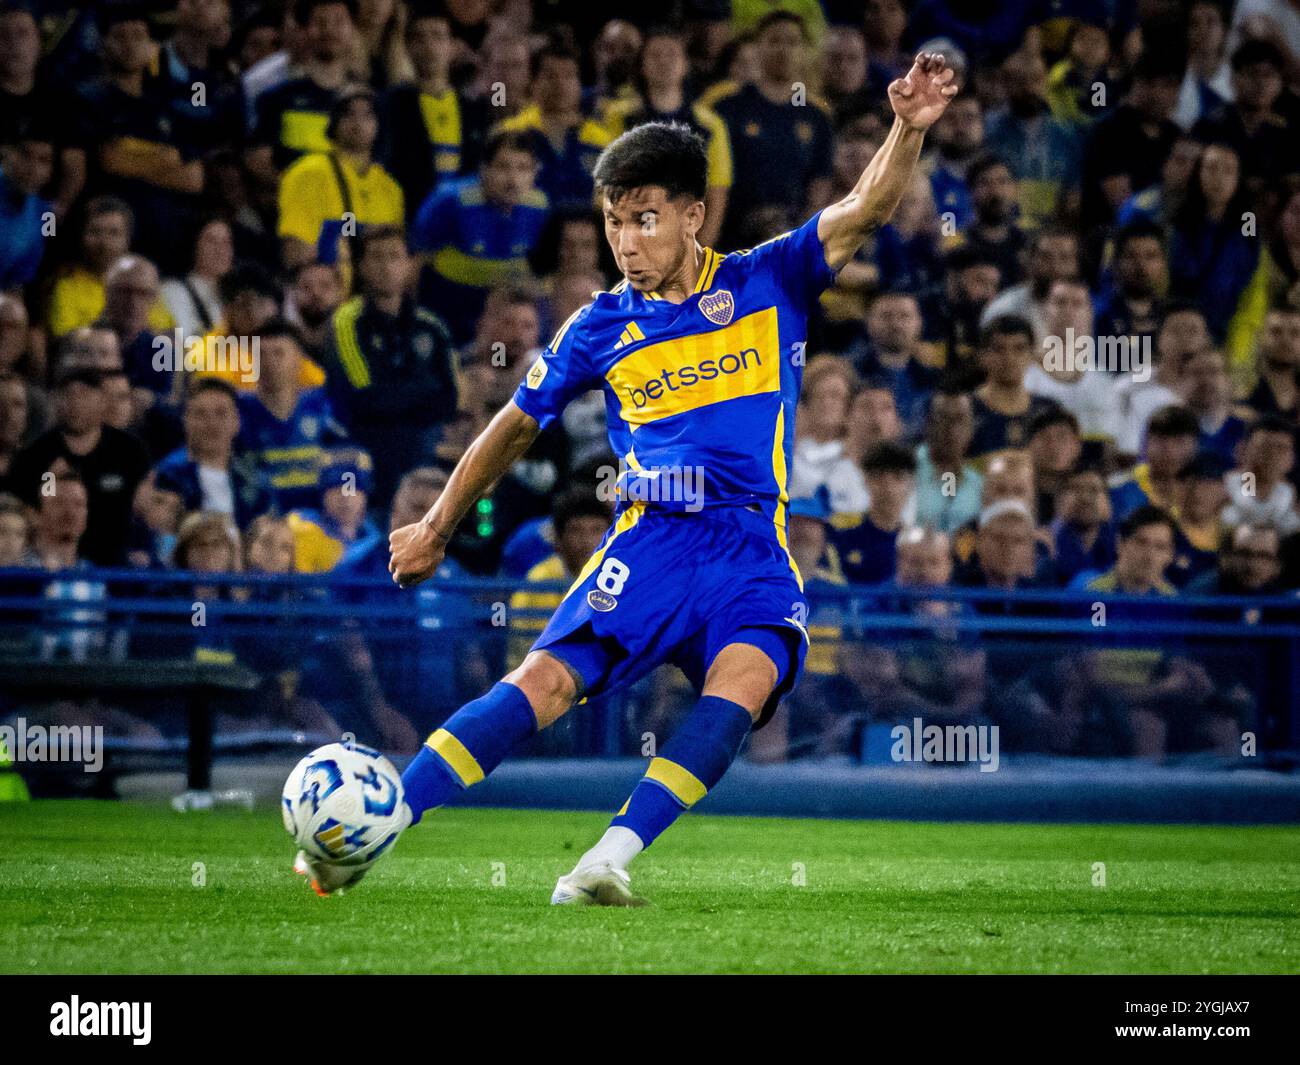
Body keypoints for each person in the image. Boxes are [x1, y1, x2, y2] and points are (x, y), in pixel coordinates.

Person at [279, 53, 963, 905]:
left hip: (750, 546)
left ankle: (604, 858)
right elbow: (516, 422)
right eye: (614, 223)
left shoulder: (766, 277)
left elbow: (865, 209)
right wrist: (436, 526)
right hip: (651, 542)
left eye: (644, 219)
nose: (626, 242)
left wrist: (909, 126)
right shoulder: (599, 324)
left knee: (744, 685)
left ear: (694, 214)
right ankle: (377, 829)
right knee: (542, 684)